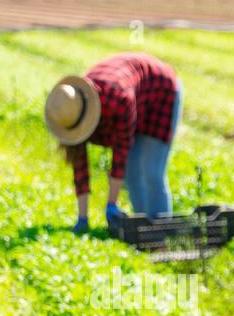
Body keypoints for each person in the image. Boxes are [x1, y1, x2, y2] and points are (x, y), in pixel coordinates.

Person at [44, 53, 181, 233]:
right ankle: (144, 232)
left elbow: (121, 152)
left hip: (160, 91)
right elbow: (80, 167)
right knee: (132, 175)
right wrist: (82, 218)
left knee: (151, 172)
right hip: (137, 94)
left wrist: (111, 204)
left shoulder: (118, 99)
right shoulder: (71, 109)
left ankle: (162, 235)